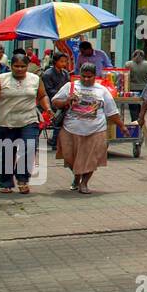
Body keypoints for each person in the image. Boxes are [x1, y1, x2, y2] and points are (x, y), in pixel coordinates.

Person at [50, 63, 128, 195]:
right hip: (71, 129)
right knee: (69, 157)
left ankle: (84, 183)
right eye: (83, 76)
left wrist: (122, 126)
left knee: (92, 159)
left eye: (89, 77)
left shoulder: (102, 90)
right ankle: (77, 176)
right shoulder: (70, 86)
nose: (86, 79)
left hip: (96, 130)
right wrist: (67, 101)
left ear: (95, 76)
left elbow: (112, 112)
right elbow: (55, 101)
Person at [0, 53, 51, 195]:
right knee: (7, 153)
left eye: (23, 66)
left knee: (29, 149)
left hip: (28, 120)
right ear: (11, 66)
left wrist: (47, 108)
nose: (19, 69)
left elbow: (42, 95)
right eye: (16, 66)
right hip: (4, 122)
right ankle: (6, 183)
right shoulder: (1, 79)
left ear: (27, 66)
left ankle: (23, 179)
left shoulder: (35, 79)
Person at [40, 52, 72, 150]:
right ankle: (55, 141)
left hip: (63, 100)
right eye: (61, 61)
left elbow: (69, 86)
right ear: (55, 62)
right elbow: (48, 90)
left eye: (65, 61)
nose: (64, 64)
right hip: (51, 101)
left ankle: (58, 140)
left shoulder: (65, 73)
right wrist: (61, 94)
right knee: (60, 116)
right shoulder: (47, 74)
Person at [126, 50, 147, 121]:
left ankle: (134, 121)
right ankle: (140, 121)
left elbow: (126, 76)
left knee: (133, 109)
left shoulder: (128, 64)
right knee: (142, 109)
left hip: (132, 89)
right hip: (144, 89)